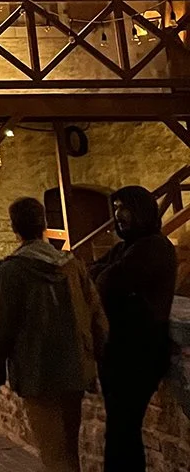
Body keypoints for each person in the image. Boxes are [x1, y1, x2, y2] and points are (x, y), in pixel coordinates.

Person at [0, 196, 108, 472]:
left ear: (14, 228)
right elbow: (97, 314)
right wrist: (96, 358)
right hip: (74, 366)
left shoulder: (12, 271)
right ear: (44, 225)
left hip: (37, 370)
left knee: (53, 453)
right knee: (69, 450)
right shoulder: (71, 265)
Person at [89, 186, 177, 472]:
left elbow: (107, 282)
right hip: (121, 353)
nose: (118, 215)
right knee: (119, 430)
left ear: (140, 211)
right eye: (115, 208)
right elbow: (91, 272)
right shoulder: (126, 247)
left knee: (123, 430)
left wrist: (101, 277)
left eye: (124, 208)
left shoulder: (153, 247)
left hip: (140, 354)